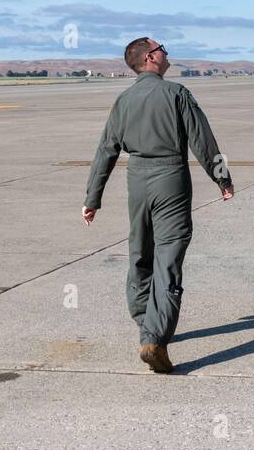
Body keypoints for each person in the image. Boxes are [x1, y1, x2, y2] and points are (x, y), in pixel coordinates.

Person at [82, 37, 234, 373]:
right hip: (170, 179)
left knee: (140, 252)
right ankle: (155, 338)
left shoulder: (123, 100)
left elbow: (106, 150)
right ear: (151, 57)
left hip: (136, 182)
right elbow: (204, 141)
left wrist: (92, 199)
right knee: (168, 258)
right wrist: (222, 179)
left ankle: (145, 322)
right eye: (161, 47)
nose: (167, 51)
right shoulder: (177, 93)